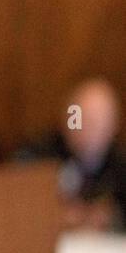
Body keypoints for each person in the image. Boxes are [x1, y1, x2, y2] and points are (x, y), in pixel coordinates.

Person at [17, 77, 126, 231]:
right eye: (85, 119)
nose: (92, 129)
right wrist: (55, 212)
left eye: (100, 121)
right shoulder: (40, 155)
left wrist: (110, 216)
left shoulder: (120, 165)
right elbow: (17, 200)